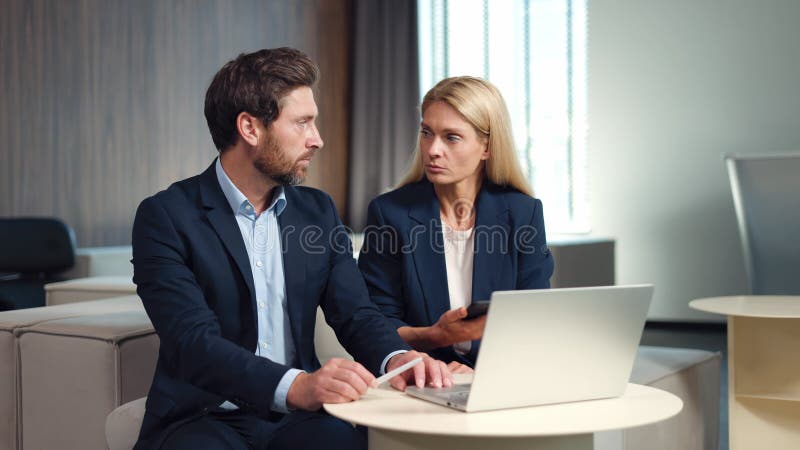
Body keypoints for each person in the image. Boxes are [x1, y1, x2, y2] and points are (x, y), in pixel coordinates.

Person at [131, 47, 452, 450]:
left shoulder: (317, 211)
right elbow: (193, 343)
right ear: (250, 128)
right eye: (302, 123)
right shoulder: (166, 216)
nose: (316, 139)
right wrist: (296, 384)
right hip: (203, 417)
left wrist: (396, 357)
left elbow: (355, 312)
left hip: (299, 421)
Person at [357, 76, 554, 369]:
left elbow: (535, 320)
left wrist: (479, 374)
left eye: (451, 137)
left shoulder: (522, 214)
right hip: (419, 377)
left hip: (498, 378)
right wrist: (434, 338)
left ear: (486, 147)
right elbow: (375, 326)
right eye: (426, 133)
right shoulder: (390, 214)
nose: (433, 149)